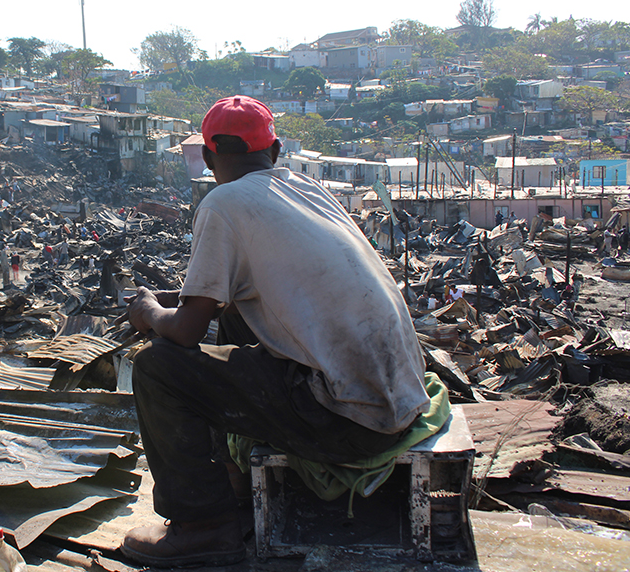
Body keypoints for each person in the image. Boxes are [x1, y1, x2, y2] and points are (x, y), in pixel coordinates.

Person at [120, 96, 429, 567]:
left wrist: (146, 310)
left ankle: (203, 527)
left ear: (207, 158)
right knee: (232, 316)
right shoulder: (310, 190)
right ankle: (234, 481)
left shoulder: (223, 202)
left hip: (347, 420)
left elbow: (183, 332)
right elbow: (225, 299)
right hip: (400, 400)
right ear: (277, 151)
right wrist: (177, 300)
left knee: (156, 367)